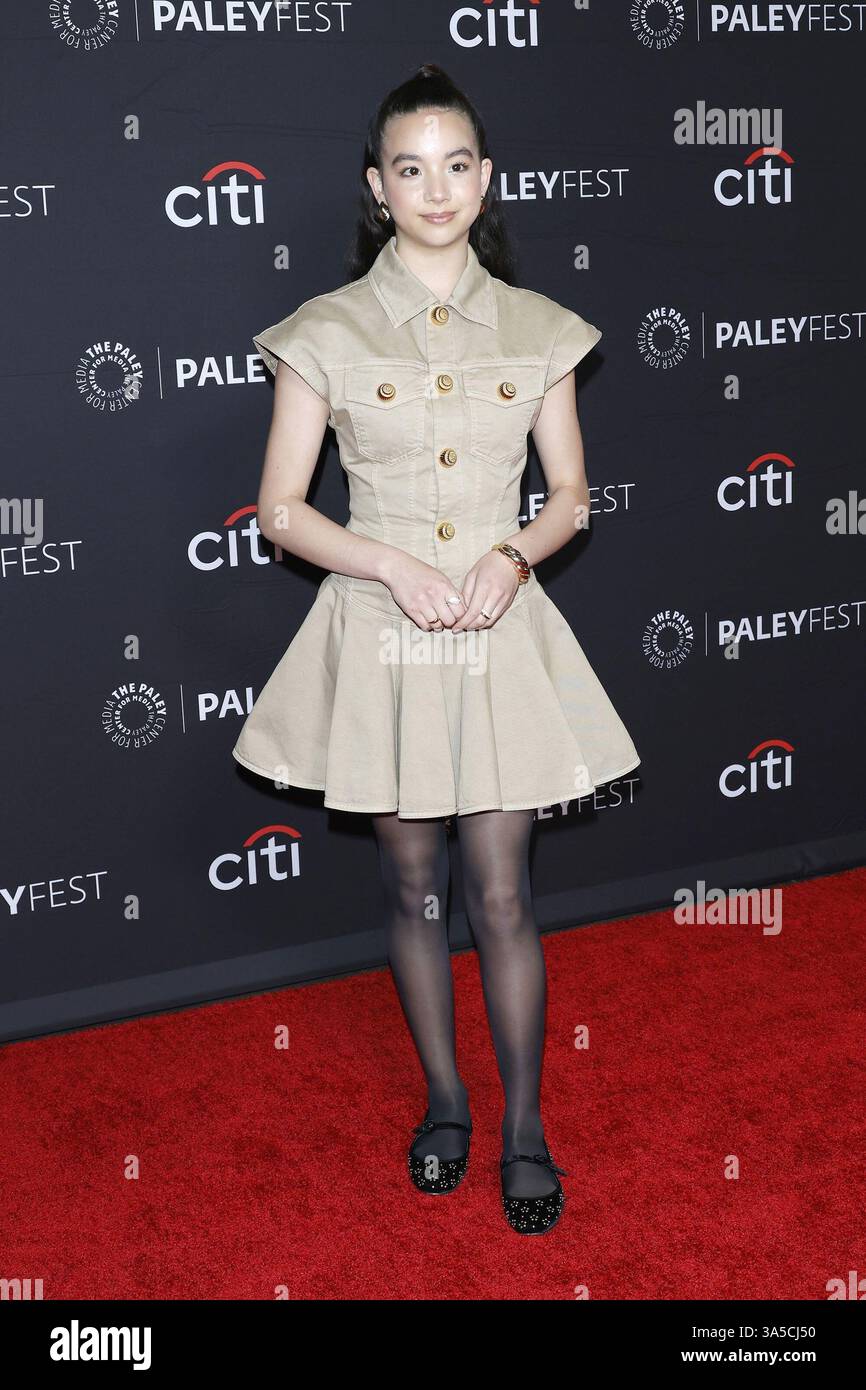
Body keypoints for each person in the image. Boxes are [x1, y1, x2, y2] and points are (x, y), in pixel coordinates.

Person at [233, 63, 641, 1235]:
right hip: (382, 628)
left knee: (502, 892)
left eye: (455, 164)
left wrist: (507, 563)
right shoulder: (322, 331)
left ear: (484, 179)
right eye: (408, 167)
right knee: (412, 886)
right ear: (377, 185)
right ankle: (446, 1101)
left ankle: (524, 1127)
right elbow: (280, 511)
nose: (434, 186)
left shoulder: (541, 327)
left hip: (499, 626)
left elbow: (568, 494)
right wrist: (393, 565)